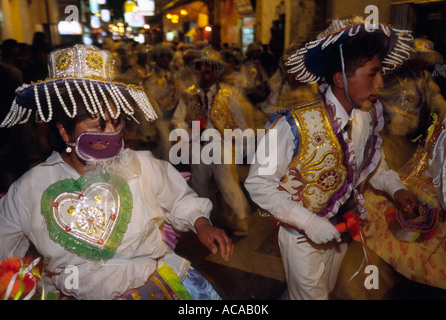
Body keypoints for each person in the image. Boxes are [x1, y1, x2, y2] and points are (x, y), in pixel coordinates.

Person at [0, 44, 233, 300]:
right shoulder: (28, 189)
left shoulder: (140, 165)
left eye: (116, 121)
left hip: (153, 290)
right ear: (64, 131)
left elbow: (178, 198)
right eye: (99, 126)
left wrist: (201, 223)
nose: (111, 132)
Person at [244, 17, 418, 300]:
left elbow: (372, 164)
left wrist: (395, 188)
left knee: (319, 290)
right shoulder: (293, 125)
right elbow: (258, 182)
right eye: (372, 74)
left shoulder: (367, 116)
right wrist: (309, 222)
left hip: (342, 228)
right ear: (340, 79)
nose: (380, 82)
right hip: (300, 235)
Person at [171, 49, 253, 237]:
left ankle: (242, 220)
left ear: (216, 72)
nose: (205, 75)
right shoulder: (188, 94)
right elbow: (178, 119)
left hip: (222, 145)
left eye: (209, 71)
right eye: (202, 71)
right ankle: (201, 222)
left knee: (228, 185)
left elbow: (241, 120)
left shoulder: (228, 93)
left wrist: (242, 143)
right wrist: (187, 132)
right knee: (199, 185)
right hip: (198, 146)